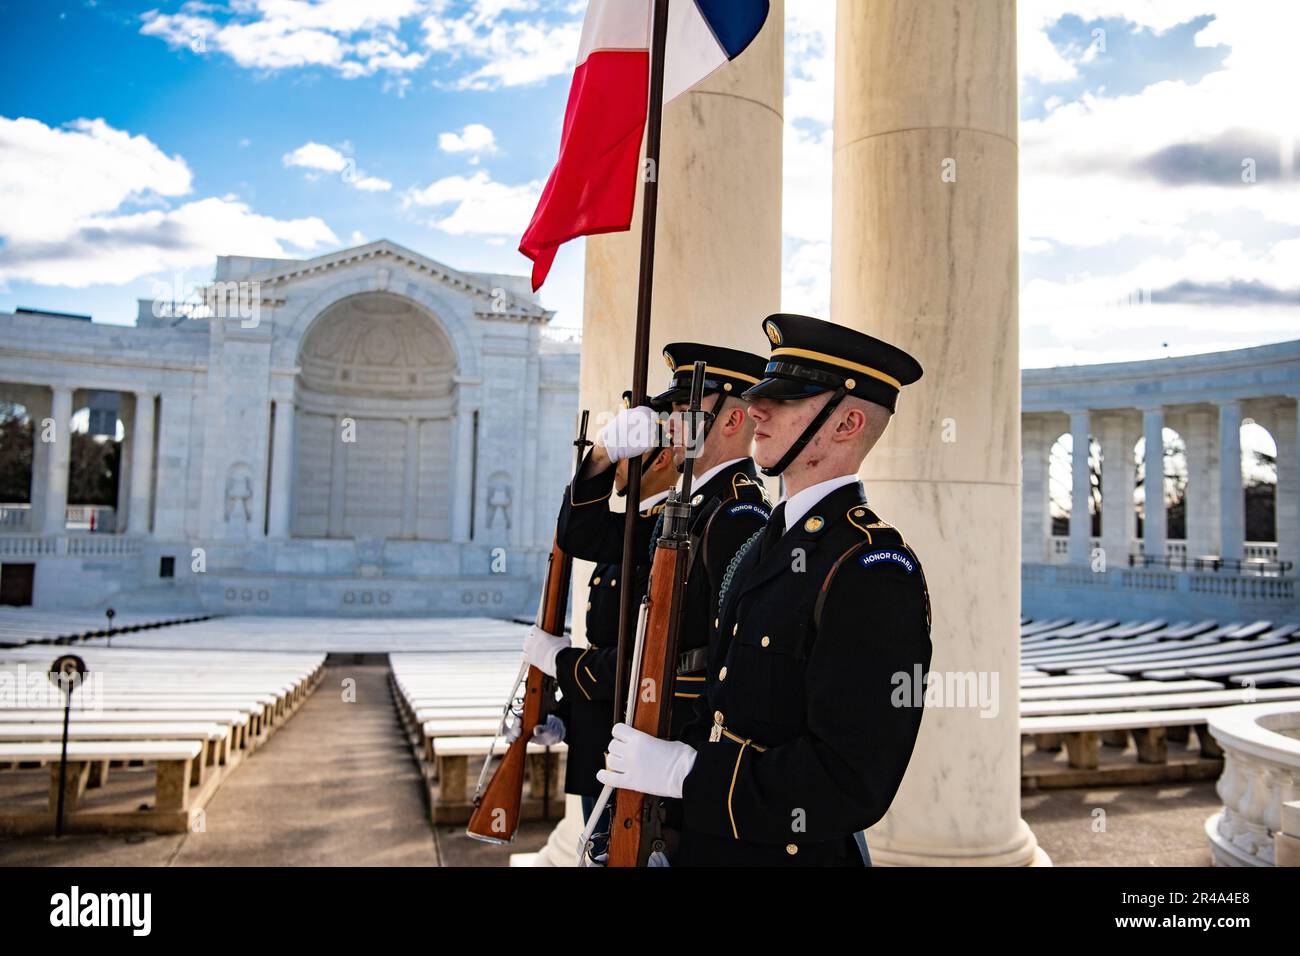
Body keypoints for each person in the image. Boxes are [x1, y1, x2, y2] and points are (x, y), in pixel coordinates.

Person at [597, 313, 934, 867]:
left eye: (784, 400)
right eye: (761, 397)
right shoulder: (768, 541)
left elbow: (852, 779)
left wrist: (688, 774)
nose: (756, 410)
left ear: (847, 424)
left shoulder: (872, 569)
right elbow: (722, 701)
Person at [510, 410, 678, 858]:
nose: (615, 467)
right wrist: (563, 715)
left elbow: (640, 658)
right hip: (596, 742)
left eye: (623, 456)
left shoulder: (660, 538)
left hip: (629, 750)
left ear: (662, 459)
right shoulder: (630, 531)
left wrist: (560, 663)